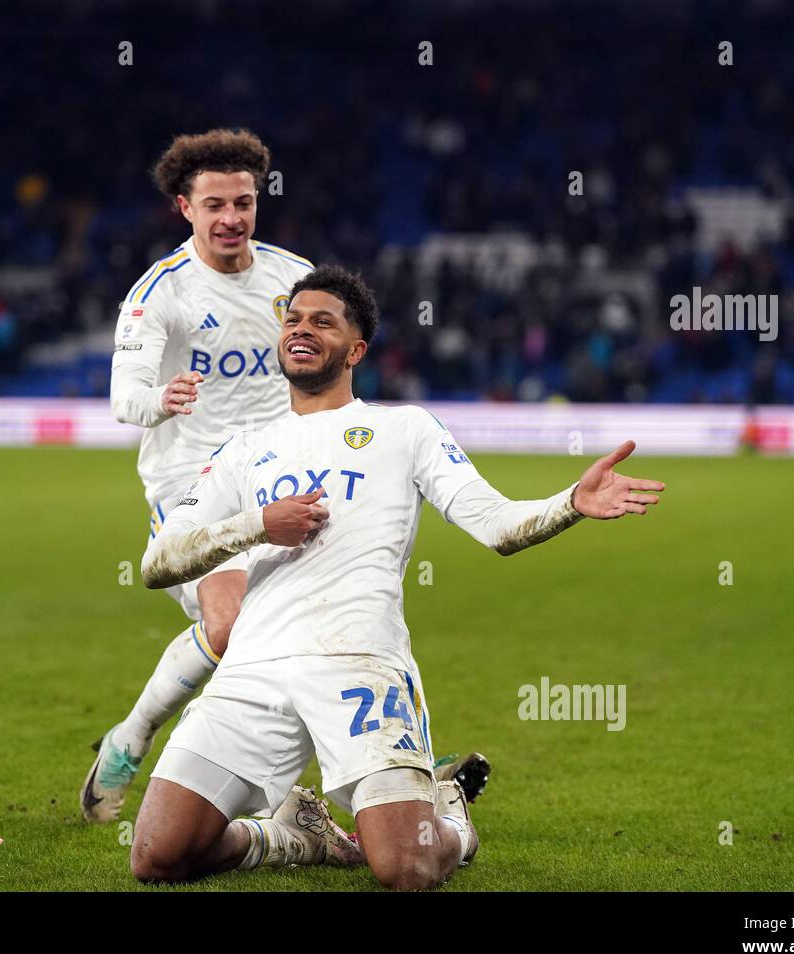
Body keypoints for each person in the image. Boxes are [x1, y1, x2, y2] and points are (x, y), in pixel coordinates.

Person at [131, 266, 666, 888]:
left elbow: (496, 526)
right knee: (157, 858)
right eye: (294, 320)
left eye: (323, 322)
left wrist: (570, 502)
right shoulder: (241, 450)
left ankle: (454, 818)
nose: (302, 330)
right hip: (252, 669)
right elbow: (157, 563)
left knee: (405, 869)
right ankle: (288, 836)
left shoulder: (404, 429)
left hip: (358, 661)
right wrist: (257, 525)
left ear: (356, 350)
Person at [81, 128, 314, 822]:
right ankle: (142, 741)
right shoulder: (159, 292)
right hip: (193, 482)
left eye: (243, 201)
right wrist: (162, 399)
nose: (231, 218)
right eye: (214, 204)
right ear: (185, 207)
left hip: (283, 479)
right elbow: (123, 397)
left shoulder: (295, 277)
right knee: (234, 624)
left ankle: (367, 775)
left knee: (311, 627)